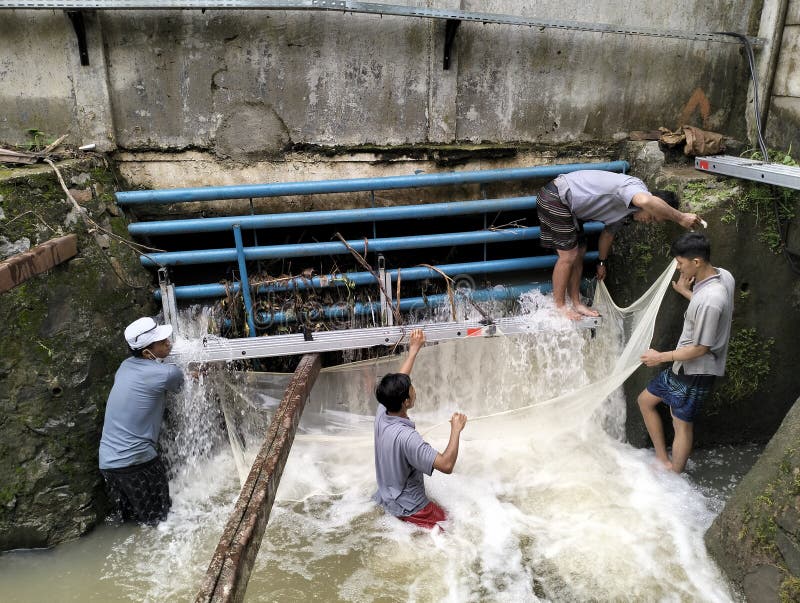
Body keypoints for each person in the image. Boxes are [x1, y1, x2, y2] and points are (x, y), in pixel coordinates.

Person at [537, 169, 704, 320]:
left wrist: (601, 262)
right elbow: (646, 201)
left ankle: (576, 303)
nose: (648, 222)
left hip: (570, 208)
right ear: (655, 203)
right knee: (569, 255)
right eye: (652, 216)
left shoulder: (626, 213)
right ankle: (559, 306)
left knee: (580, 252)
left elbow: (608, 235)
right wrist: (681, 217)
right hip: (556, 198)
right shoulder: (634, 189)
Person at [637, 232, 734, 473]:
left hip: (696, 368)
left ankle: (675, 473)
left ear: (697, 262)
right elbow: (709, 311)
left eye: (680, 263)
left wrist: (659, 356)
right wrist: (685, 292)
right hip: (683, 365)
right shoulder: (724, 276)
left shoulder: (711, 299)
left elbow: (701, 348)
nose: (679, 268)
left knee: (681, 423)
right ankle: (662, 458)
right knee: (646, 401)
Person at [373, 328, 467, 530]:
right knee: (454, 529)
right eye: (411, 388)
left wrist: (414, 350)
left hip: (386, 499)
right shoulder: (409, 438)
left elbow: (400, 378)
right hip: (412, 509)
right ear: (406, 401)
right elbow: (446, 465)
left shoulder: (383, 412)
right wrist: (456, 430)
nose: (414, 388)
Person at [99, 316, 184, 524]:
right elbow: (180, 384)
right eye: (162, 341)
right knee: (162, 521)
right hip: (137, 463)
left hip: (108, 463)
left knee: (134, 523)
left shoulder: (125, 366)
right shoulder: (167, 373)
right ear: (147, 352)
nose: (168, 342)